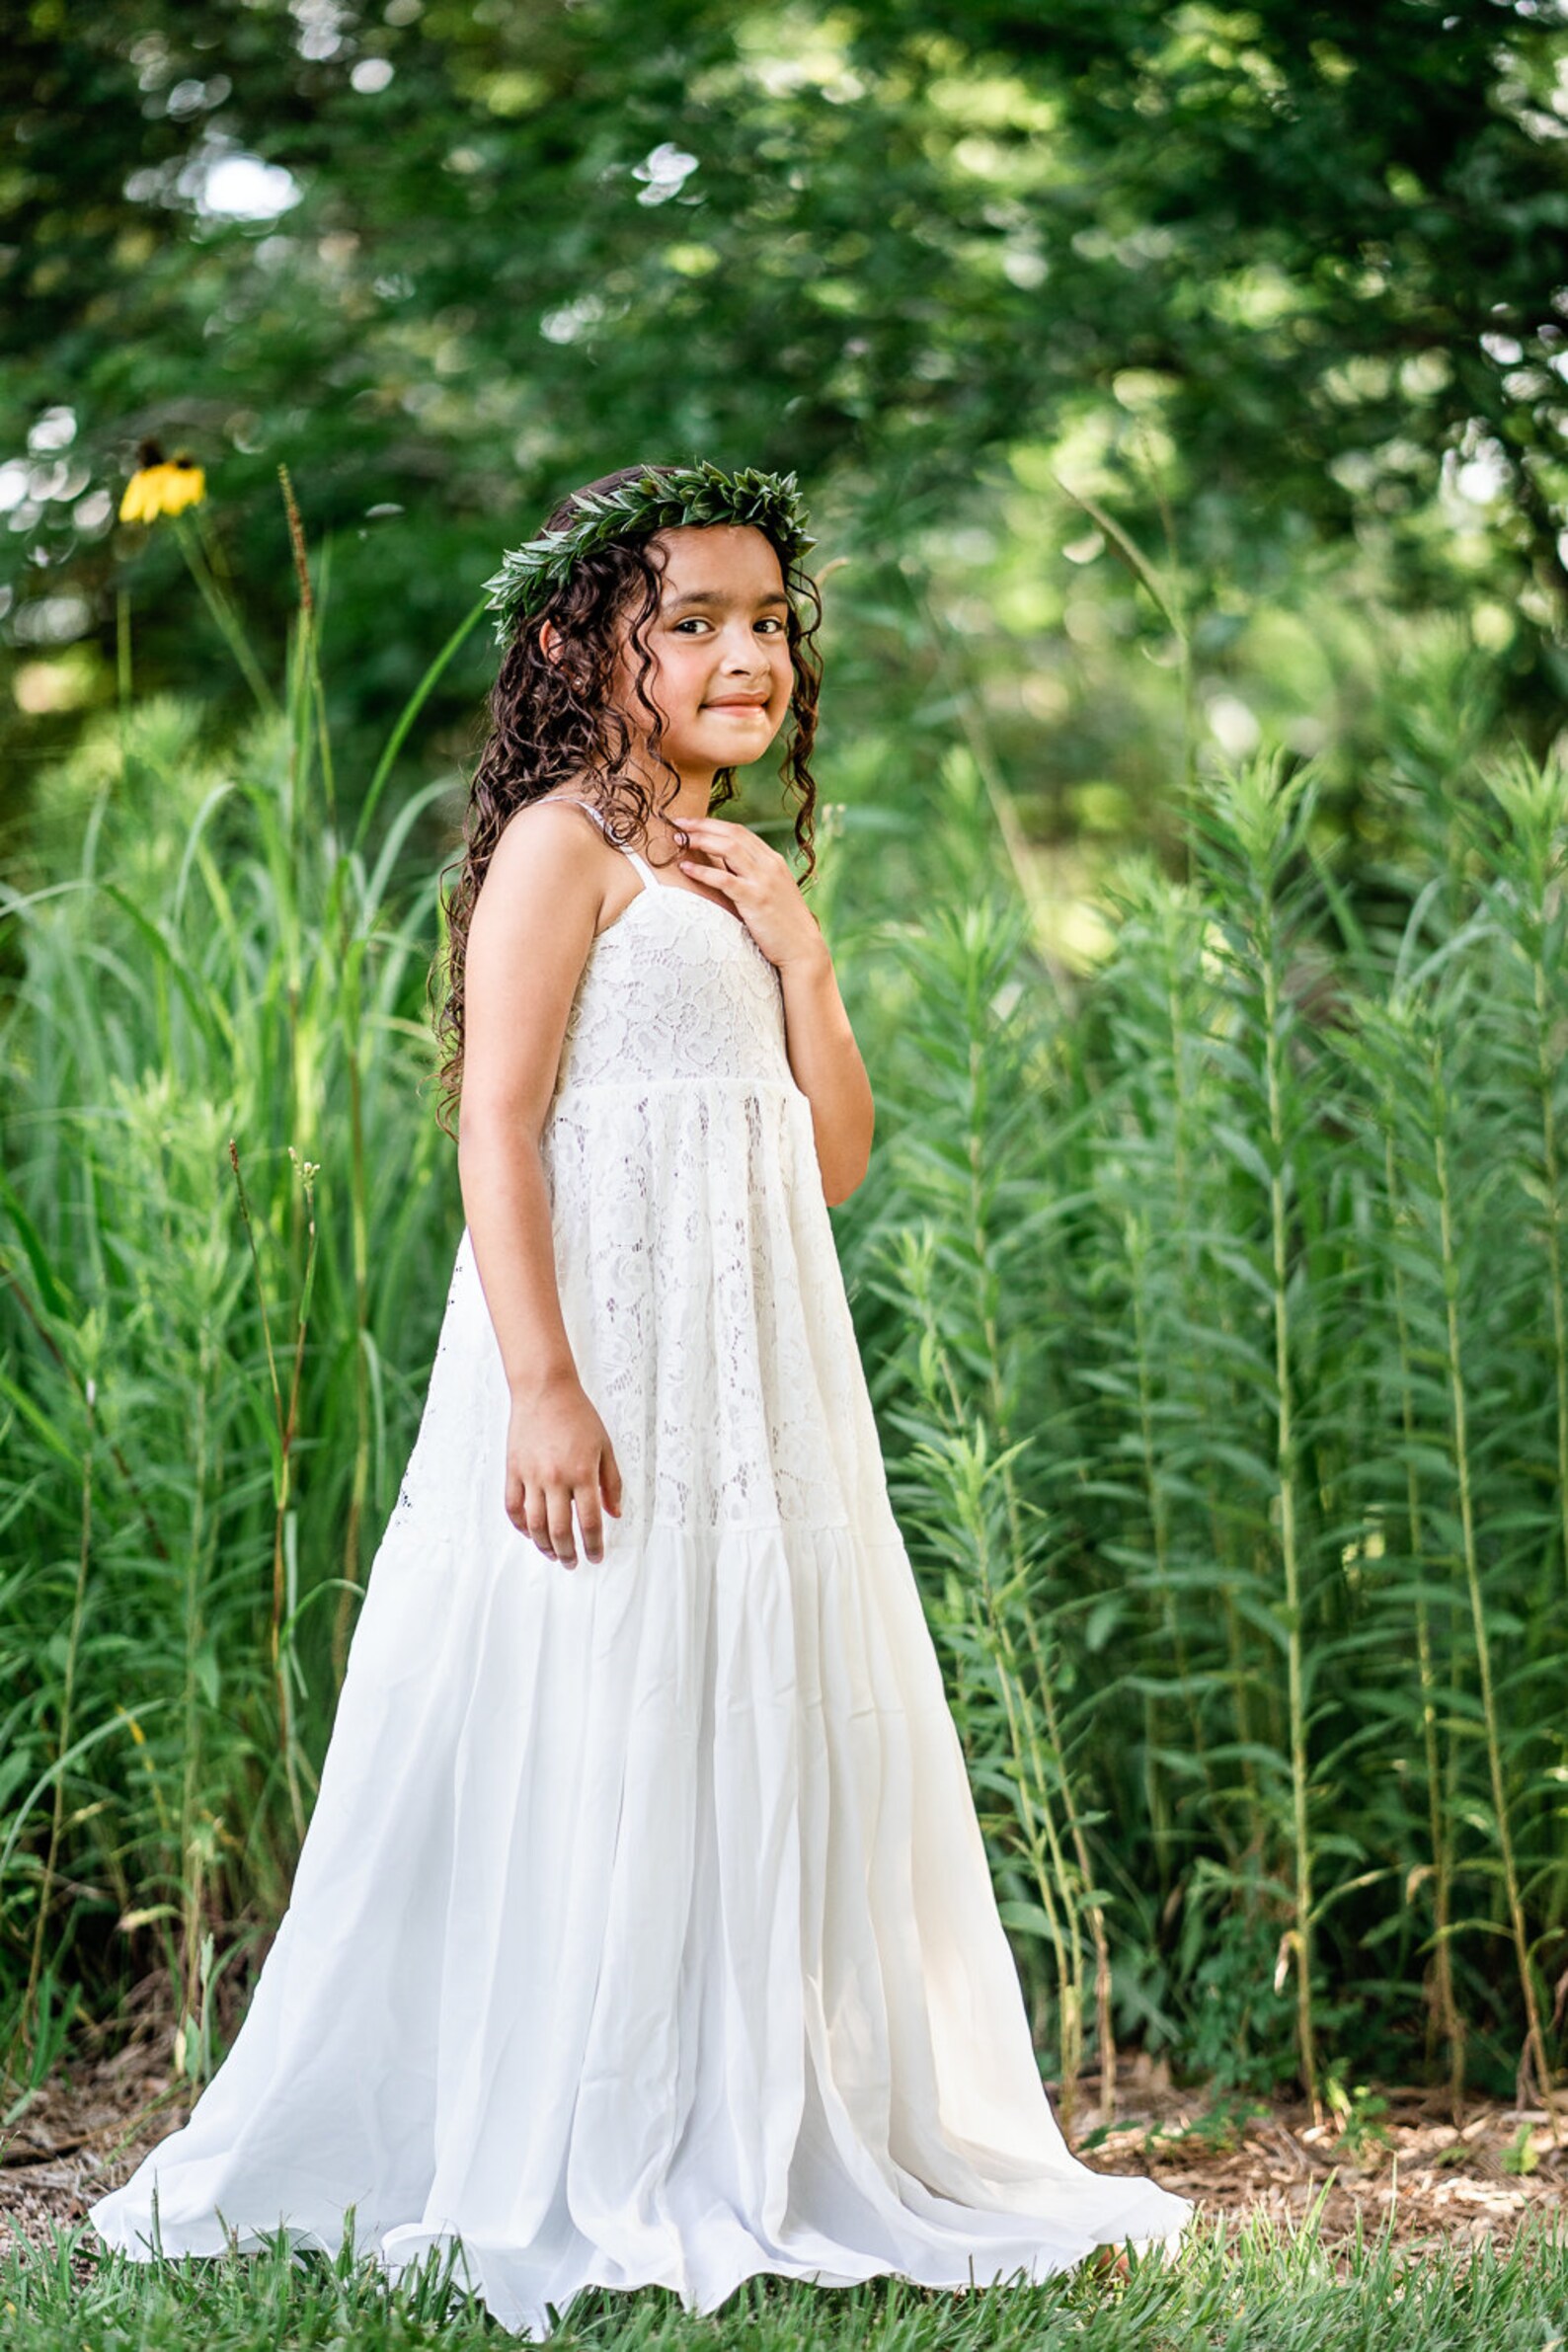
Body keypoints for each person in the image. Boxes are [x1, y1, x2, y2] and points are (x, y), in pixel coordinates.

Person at [88, 461, 1194, 2336]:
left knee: (740, 1682)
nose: (743, 653)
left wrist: (802, 947)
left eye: (768, 621)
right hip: (599, 1352)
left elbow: (831, 1159)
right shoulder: (564, 846)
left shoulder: (747, 861)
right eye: (692, 621)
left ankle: (750, 2108)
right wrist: (542, 1384)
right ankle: (572, 2114)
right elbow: (495, 1125)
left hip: (755, 1375)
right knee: (595, 1681)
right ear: (577, 644)